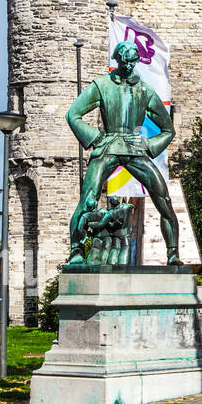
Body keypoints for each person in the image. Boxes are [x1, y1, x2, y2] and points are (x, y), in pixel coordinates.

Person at [65, 40, 180, 265]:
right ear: (118, 60)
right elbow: (73, 114)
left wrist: (148, 146)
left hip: (135, 150)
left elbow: (168, 130)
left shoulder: (145, 90)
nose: (129, 66)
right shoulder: (101, 85)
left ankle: (173, 253)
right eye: (126, 62)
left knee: (163, 198)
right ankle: (76, 250)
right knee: (88, 199)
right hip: (108, 146)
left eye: (133, 62)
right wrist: (95, 138)